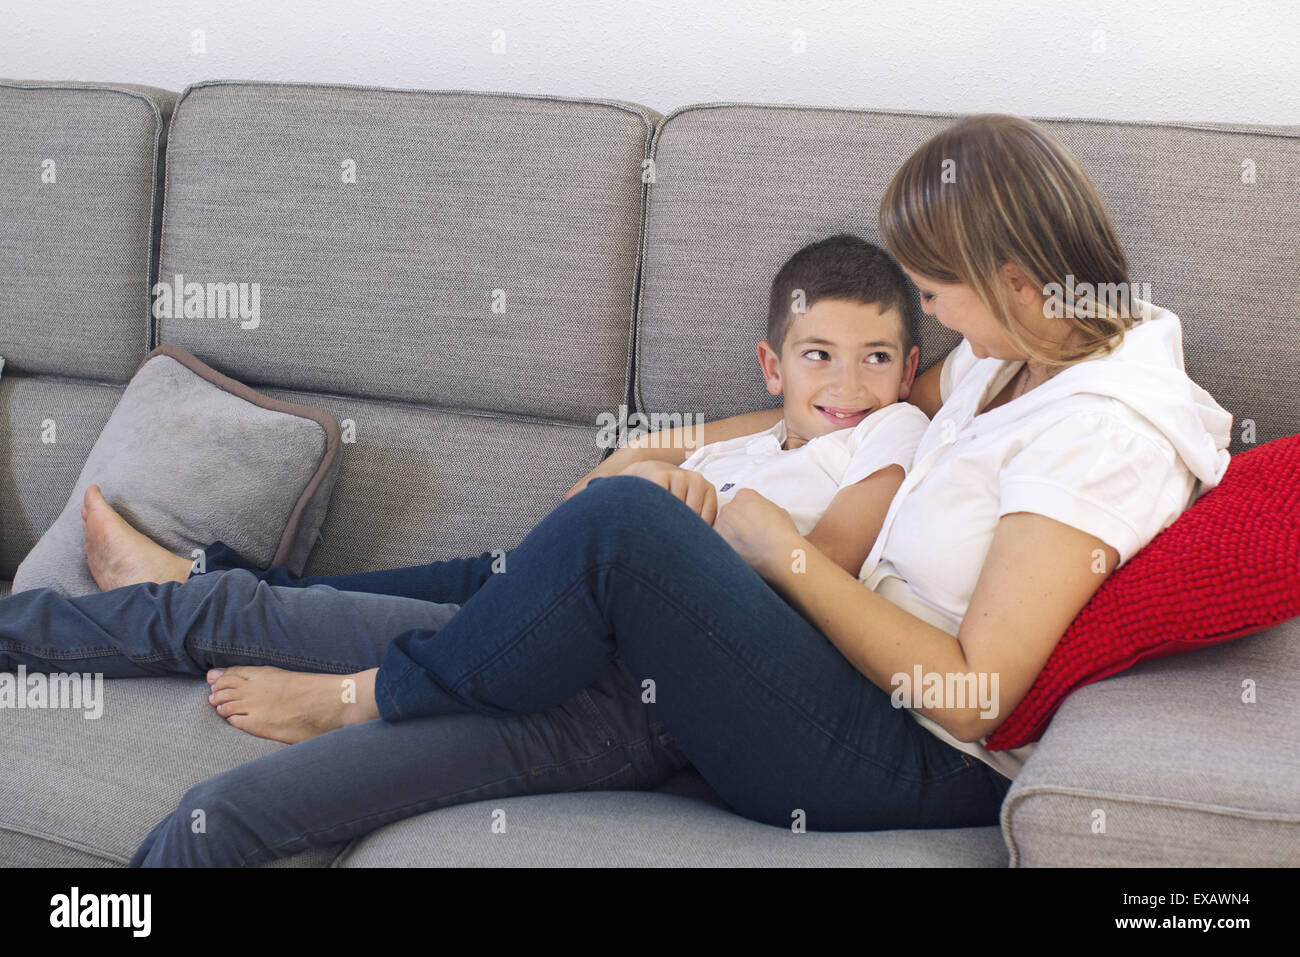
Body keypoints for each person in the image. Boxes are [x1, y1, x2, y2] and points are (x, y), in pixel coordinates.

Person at [0, 114, 1231, 868]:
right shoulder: (1023, 351)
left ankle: (370, 697)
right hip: (758, 671)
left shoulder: (1101, 433)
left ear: (1017, 280)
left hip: (878, 752)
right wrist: (700, 452)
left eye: (940, 293)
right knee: (233, 799)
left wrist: (773, 553)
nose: (932, 329)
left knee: (620, 528)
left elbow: (971, 701)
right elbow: (842, 412)